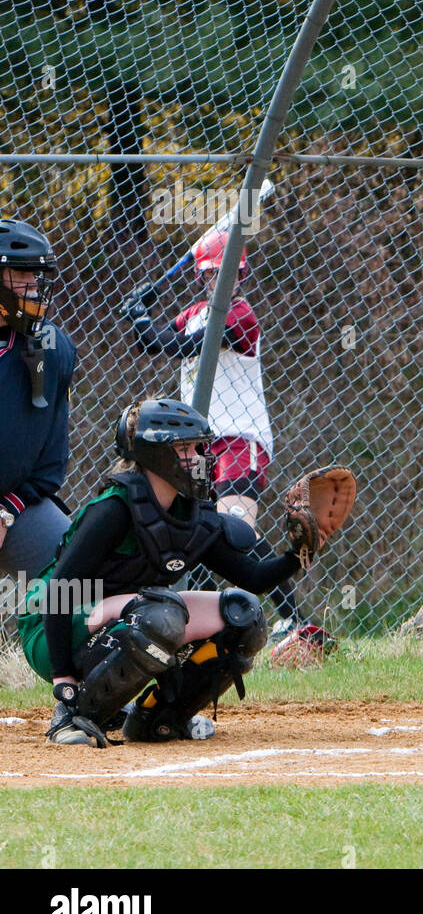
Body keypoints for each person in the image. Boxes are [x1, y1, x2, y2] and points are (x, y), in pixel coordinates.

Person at [16, 398, 316, 747]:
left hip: (125, 613)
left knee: (243, 617)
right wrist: (62, 677)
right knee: (161, 616)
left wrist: (301, 552)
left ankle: (158, 717)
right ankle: (75, 714)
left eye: (198, 447)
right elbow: (60, 590)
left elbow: (253, 578)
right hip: (52, 622)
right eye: (185, 448)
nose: (200, 457)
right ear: (155, 454)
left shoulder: (191, 512)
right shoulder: (115, 509)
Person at [122, 231, 314, 640]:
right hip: (200, 442)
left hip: (239, 436)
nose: (221, 282)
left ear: (239, 275)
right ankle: (208, 628)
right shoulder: (193, 313)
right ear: (201, 277)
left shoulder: (240, 313)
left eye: (228, 274)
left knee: (235, 527)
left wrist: (148, 325)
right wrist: (138, 313)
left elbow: (191, 347)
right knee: (203, 532)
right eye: (213, 275)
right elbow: (152, 343)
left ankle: (293, 619)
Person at [0, 219, 76, 595]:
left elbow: (50, 461)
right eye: (22, 277)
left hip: (15, 508)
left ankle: (57, 652)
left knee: (80, 585)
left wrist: (7, 509)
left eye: (38, 277)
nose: (35, 289)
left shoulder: (52, 347)